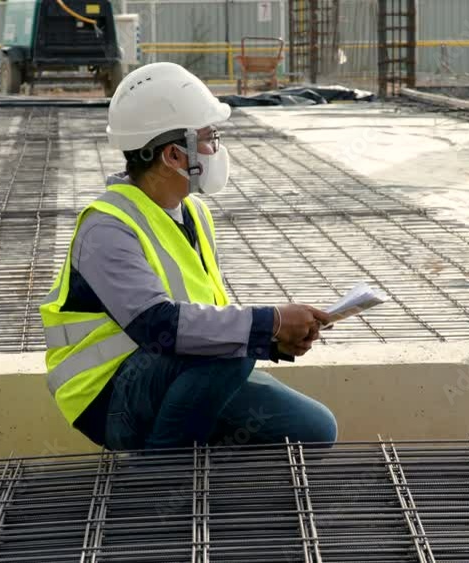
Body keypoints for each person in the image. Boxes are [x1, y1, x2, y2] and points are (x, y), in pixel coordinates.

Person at [39, 62, 337, 451]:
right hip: (110, 398)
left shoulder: (193, 212)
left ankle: (200, 472)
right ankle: (160, 477)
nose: (217, 148)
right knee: (235, 343)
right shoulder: (106, 228)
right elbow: (157, 325)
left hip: (178, 374)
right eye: (209, 137)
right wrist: (270, 323)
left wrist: (276, 340)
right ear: (173, 156)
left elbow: (205, 314)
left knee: (315, 430)